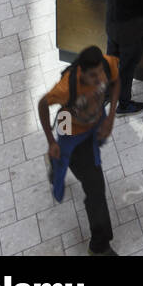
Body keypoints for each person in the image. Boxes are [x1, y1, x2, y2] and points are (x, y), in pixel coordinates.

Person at [38, 45, 120, 256]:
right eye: (93, 76)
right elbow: (42, 104)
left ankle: (55, 163)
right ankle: (99, 247)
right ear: (82, 72)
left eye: (101, 72)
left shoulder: (106, 65)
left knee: (66, 158)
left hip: (92, 122)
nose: (100, 78)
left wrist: (110, 118)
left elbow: (116, 80)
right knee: (95, 188)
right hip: (69, 126)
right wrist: (51, 142)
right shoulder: (66, 89)